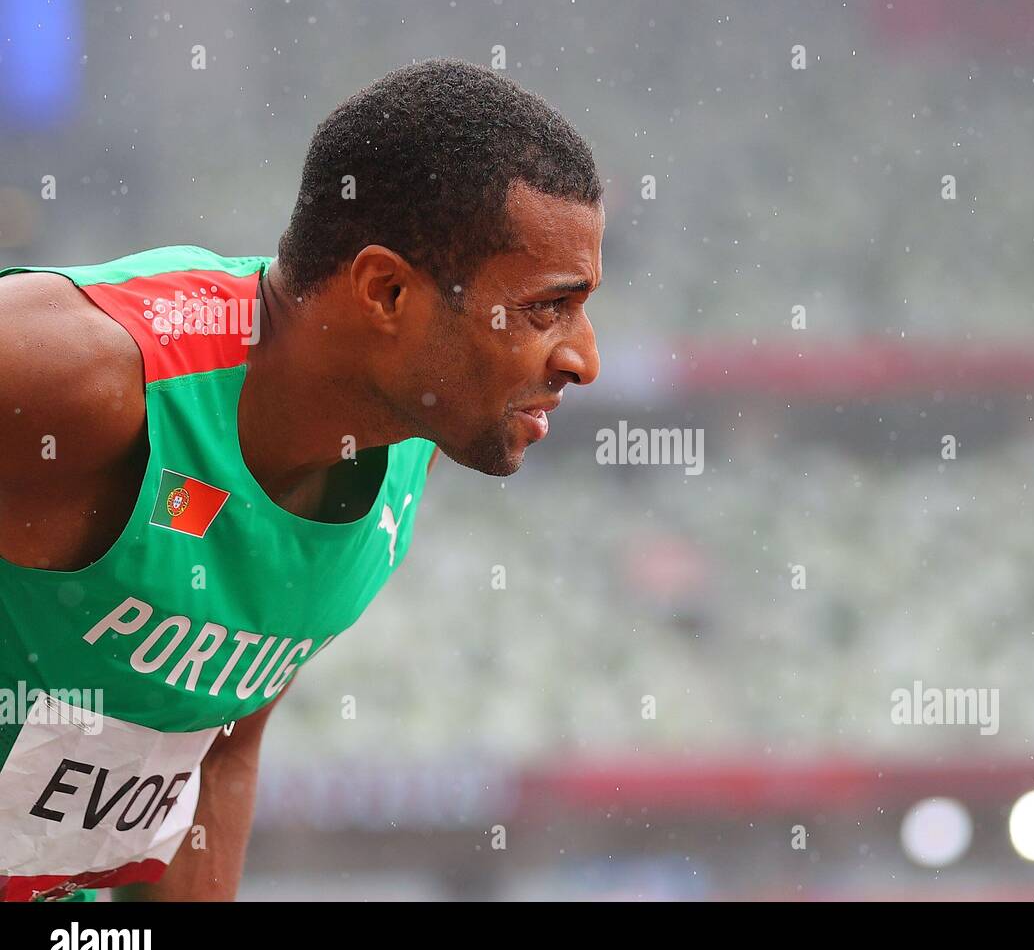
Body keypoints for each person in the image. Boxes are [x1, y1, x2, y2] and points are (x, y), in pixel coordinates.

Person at [0, 58, 603, 901]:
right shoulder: (81, 374)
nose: (585, 358)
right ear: (387, 291)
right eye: (547, 308)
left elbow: (214, 748)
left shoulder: (404, 447)